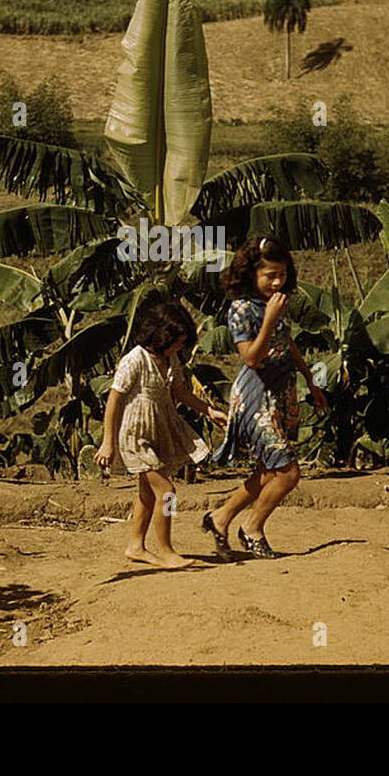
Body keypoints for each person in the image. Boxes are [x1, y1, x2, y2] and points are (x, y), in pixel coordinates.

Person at [201, 234, 326, 559]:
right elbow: (251, 358)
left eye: (282, 274)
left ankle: (220, 517)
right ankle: (252, 527)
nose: (277, 281)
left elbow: (289, 343)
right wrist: (268, 319)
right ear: (250, 273)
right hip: (256, 396)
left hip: (282, 391)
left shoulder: (279, 301)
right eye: (270, 275)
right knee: (289, 473)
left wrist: (311, 380)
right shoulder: (241, 309)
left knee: (268, 472)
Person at [96, 300, 228, 568]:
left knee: (147, 494)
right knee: (167, 492)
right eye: (177, 341)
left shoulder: (171, 359)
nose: (181, 347)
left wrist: (209, 411)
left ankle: (136, 546)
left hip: (158, 430)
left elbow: (180, 392)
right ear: (161, 336)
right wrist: (108, 442)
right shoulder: (134, 360)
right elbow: (114, 401)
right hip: (135, 435)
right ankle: (167, 550)